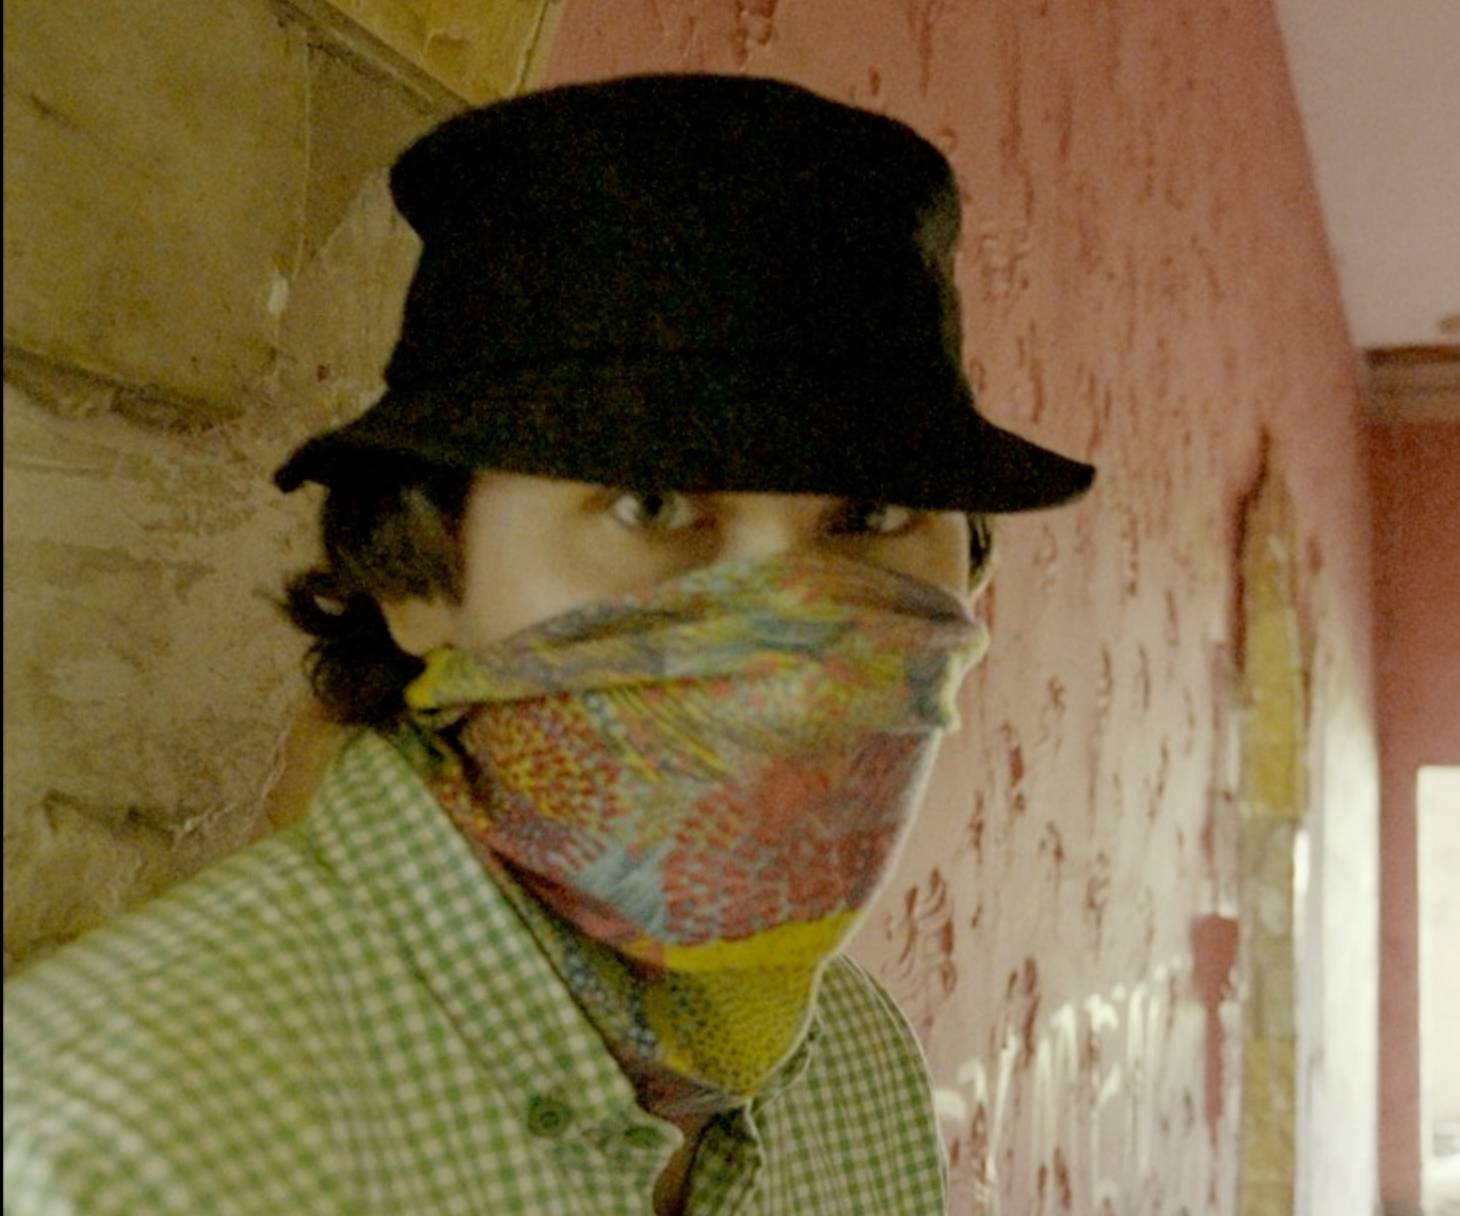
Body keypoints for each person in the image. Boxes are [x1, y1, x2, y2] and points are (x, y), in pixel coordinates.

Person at [2, 74, 1094, 1216]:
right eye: (652, 504)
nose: (789, 621)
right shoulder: (104, 1147)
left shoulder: (856, 1073)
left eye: (872, 515)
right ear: (419, 573)